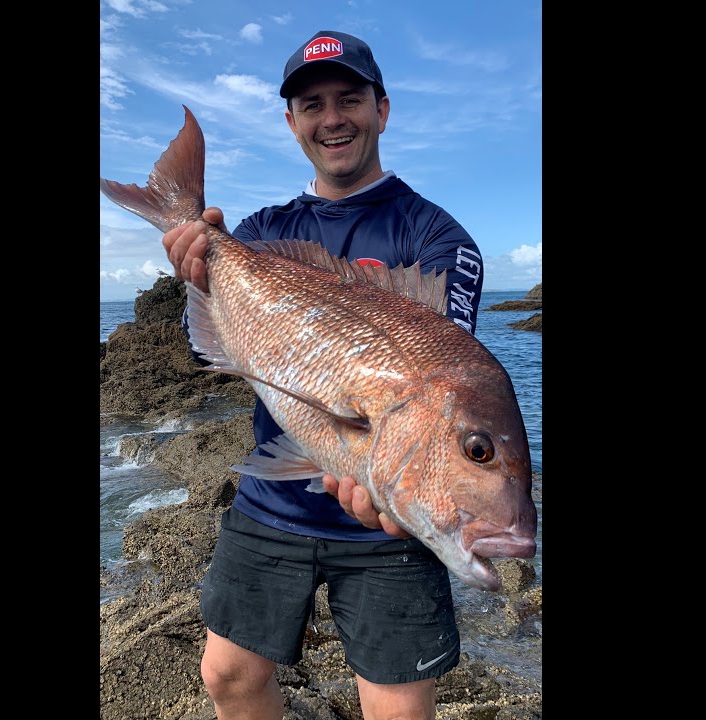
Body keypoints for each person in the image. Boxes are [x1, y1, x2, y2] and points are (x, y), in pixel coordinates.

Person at [162, 30, 485, 720]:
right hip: (271, 500)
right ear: (291, 123)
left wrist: (406, 488)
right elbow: (207, 354)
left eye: (349, 99)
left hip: (387, 528)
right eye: (312, 105)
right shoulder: (257, 231)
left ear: (382, 109)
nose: (332, 118)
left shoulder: (436, 237)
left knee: (399, 711)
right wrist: (195, 274)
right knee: (227, 676)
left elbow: (448, 382)